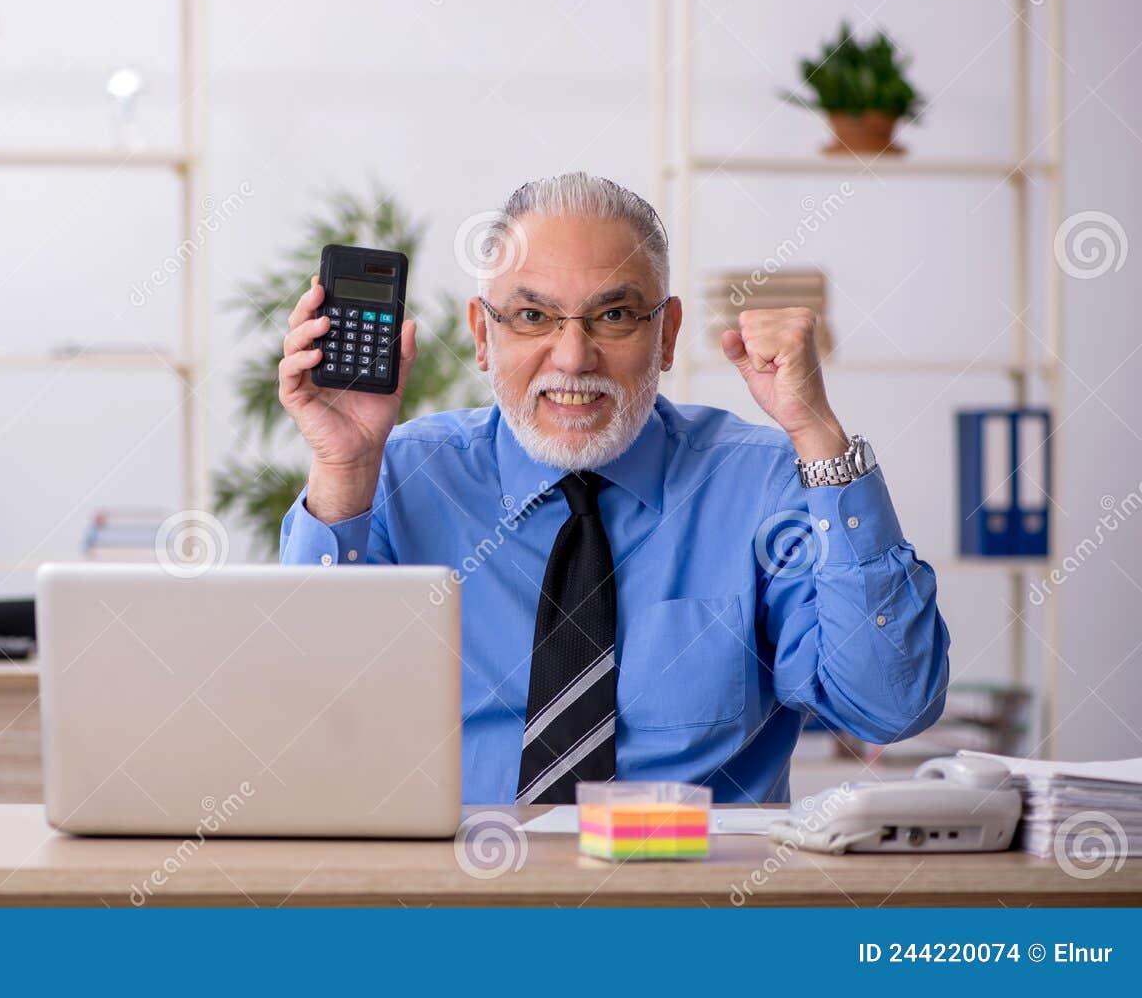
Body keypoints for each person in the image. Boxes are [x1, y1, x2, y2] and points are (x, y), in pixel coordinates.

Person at [276, 171, 949, 805]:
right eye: (533, 316)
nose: (573, 358)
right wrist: (343, 467)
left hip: (692, 883)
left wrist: (818, 432)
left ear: (667, 335)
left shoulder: (763, 484)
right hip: (454, 881)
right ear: (483, 335)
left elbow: (889, 707)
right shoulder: (397, 476)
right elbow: (308, 720)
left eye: (615, 315)